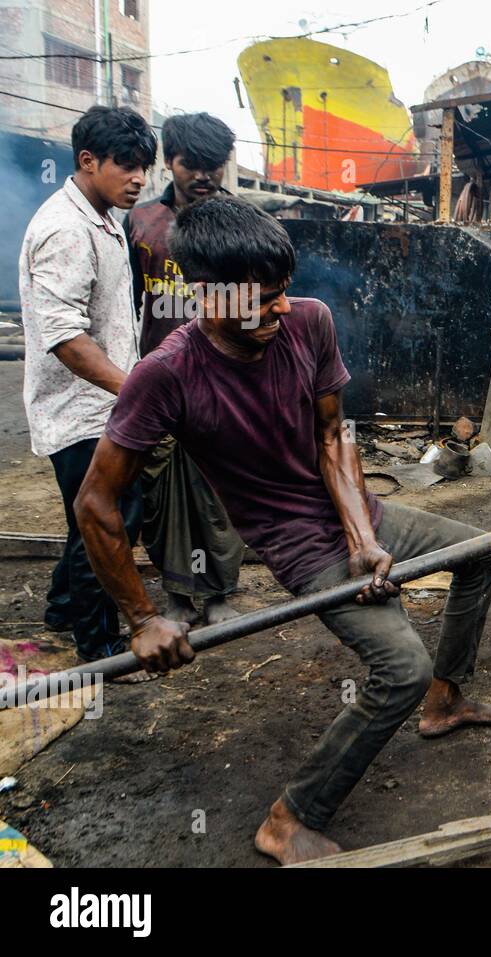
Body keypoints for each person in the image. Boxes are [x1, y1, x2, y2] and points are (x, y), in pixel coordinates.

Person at [73, 197, 491, 864]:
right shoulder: (167, 374)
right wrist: (140, 619)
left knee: (479, 554)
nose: (282, 308)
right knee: (399, 668)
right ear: (209, 296)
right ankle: (290, 818)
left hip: (357, 513)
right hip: (296, 543)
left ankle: (444, 701)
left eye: (284, 292)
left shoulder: (308, 321)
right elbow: (96, 503)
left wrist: (363, 535)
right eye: (264, 299)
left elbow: (332, 434)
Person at [19, 105, 156, 668]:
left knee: (95, 516)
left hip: (101, 406)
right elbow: (66, 338)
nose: (140, 179)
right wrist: (136, 392)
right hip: (79, 412)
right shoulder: (67, 229)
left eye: (145, 167)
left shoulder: (101, 216)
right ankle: (97, 645)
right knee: (105, 521)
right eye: (126, 166)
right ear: (87, 161)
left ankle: (61, 605)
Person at [124, 112, 244, 627]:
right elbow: (125, 302)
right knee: (161, 492)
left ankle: (220, 593)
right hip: (160, 378)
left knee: (220, 489)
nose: (202, 175)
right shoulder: (141, 223)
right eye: (190, 164)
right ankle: (177, 597)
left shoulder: (240, 223)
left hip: (225, 379)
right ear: (169, 161)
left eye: (212, 165)